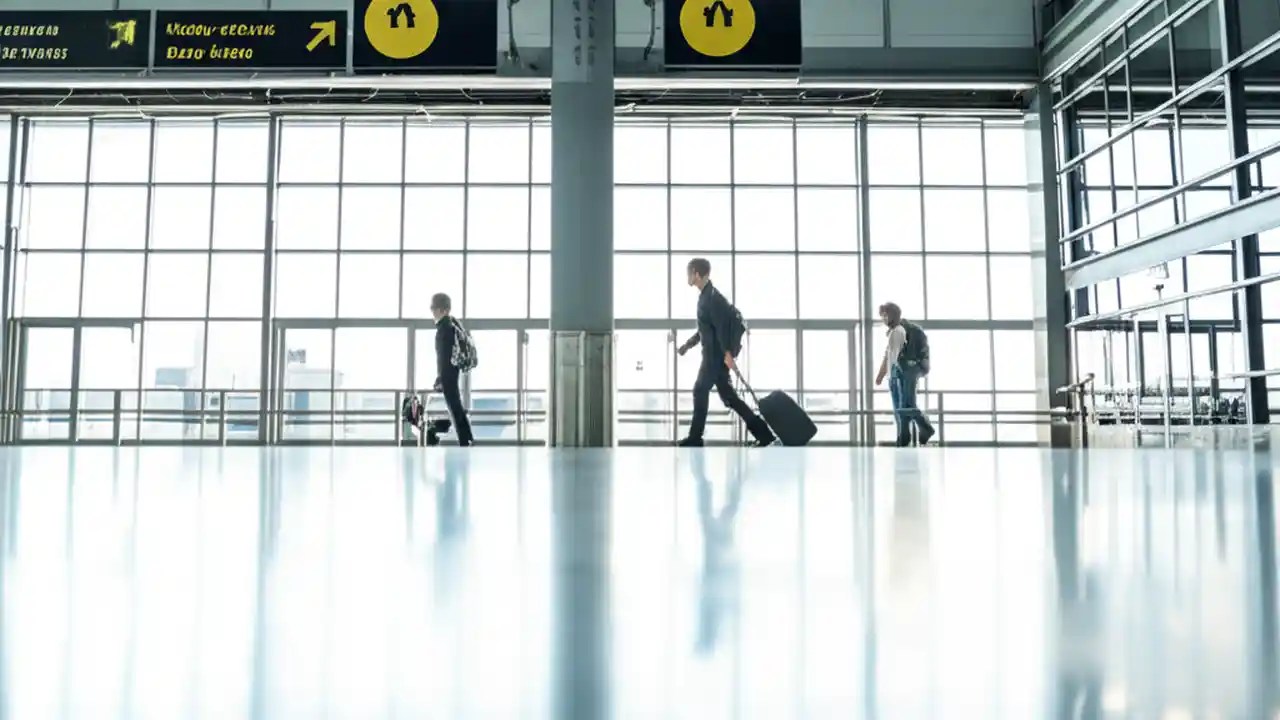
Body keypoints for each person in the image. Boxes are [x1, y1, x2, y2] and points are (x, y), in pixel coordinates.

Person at [675, 258, 775, 447]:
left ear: (697, 274)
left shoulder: (712, 298)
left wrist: (727, 353)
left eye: (689, 273)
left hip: (714, 357)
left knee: (700, 390)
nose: (687, 277)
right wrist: (688, 345)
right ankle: (764, 434)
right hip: (716, 356)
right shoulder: (708, 296)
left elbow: (720, 329)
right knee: (730, 398)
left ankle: (695, 437)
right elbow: (706, 329)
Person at [875, 301, 935, 447]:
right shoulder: (897, 331)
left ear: (892, 315)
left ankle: (917, 432)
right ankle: (905, 437)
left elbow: (892, 357)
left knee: (904, 407)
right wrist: (884, 374)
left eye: (884, 315)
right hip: (897, 374)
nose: (883, 319)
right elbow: (889, 356)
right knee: (901, 407)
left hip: (900, 374)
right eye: (881, 316)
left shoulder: (897, 331)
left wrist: (883, 374)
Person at [431, 292, 475, 447]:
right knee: (456, 406)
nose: (433, 312)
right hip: (452, 372)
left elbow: (443, 357)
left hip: (448, 373)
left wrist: (440, 377)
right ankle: (467, 438)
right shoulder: (453, 325)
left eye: (434, 308)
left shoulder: (444, 328)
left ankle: (466, 439)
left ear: (444, 310)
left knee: (454, 406)